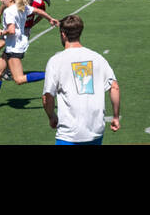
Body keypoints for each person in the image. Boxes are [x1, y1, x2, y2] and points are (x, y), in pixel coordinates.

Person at [42, 14, 120, 145]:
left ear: (63, 35)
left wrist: (51, 116)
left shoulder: (56, 61)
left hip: (69, 133)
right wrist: (116, 117)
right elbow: (114, 87)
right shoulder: (97, 58)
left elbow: (47, 97)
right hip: (95, 130)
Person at [0, 0, 55, 109]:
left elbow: (11, 30)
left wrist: (2, 31)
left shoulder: (9, 11)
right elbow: (38, 11)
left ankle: (51, 74)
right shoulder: (21, 6)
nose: (0, 0)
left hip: (15, 47)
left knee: (19, 79)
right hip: (12, 45)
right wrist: (50, 19)